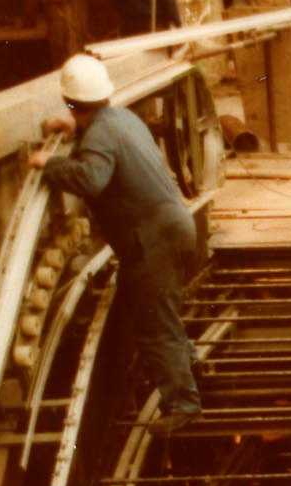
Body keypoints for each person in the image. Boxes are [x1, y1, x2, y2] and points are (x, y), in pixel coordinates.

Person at [28, 53, 203, 433]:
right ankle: (191, 363)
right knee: (159, 311)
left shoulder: (100, 133)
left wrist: (49, 164)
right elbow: (103, 146)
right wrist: (73, 129)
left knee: (155, 325)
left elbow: (92, 177)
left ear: (71, 102)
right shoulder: (123, 118)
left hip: (152, 241)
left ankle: (183, 405)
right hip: (175, 228)